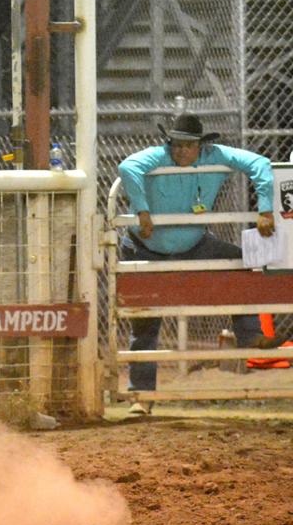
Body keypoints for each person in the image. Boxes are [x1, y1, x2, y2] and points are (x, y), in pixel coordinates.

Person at [118, 112, 281, 395]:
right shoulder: (158, 156)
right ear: (169, 143)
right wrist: (142, 210)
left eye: (188, 145)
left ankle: (249, 333)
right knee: (145, 322)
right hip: (146, 249)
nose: (181, 151)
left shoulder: (215, 156)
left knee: (241, 263)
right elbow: (128, 167)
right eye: (176, 144)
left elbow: (259, 163)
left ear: (200, 146)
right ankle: (140, 395)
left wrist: (265, 208)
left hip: (193, 244)